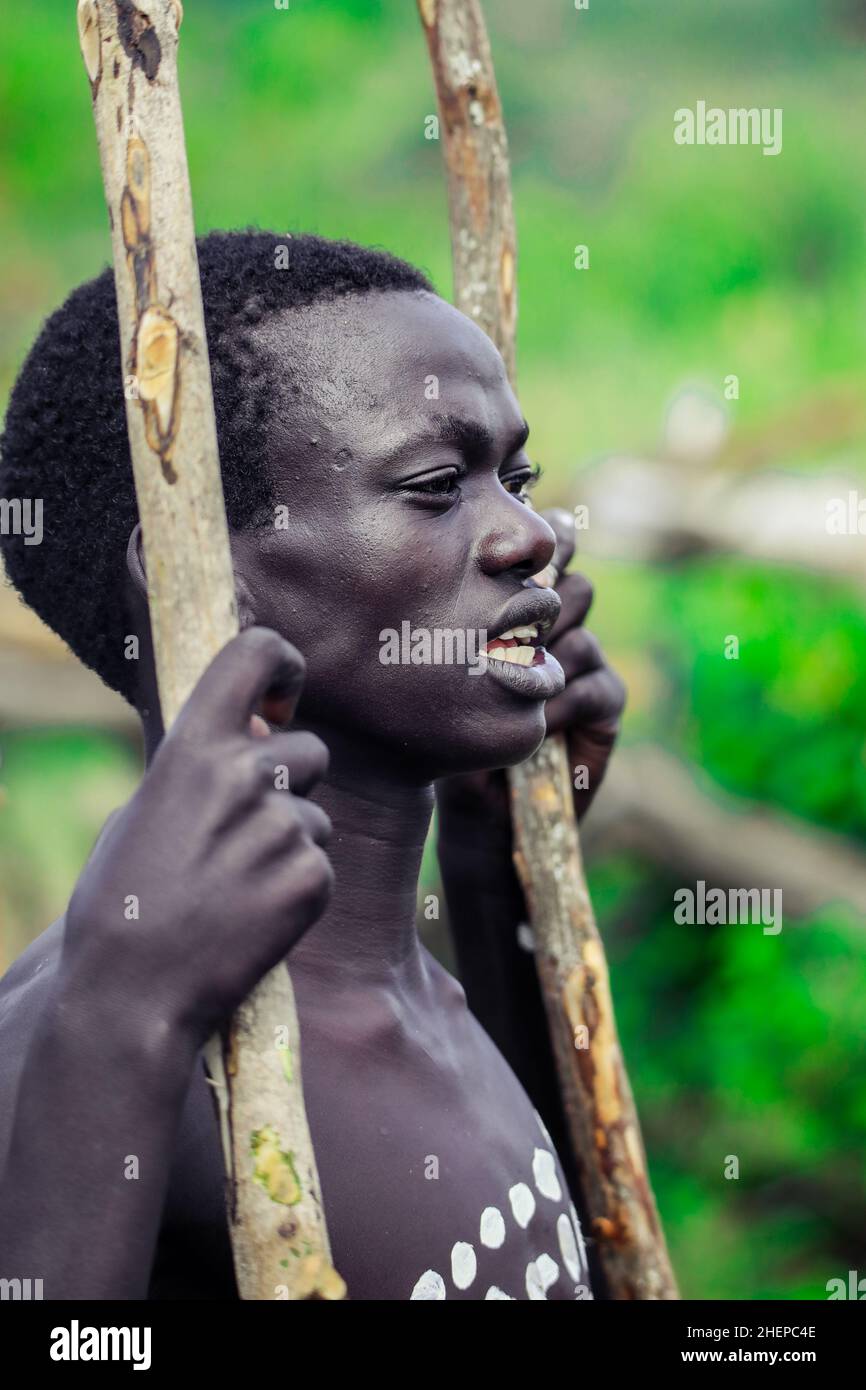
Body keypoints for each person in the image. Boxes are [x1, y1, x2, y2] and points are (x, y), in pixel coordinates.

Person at [0, 231, 625, 1300]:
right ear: (202, 568)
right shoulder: (85, 1049)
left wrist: (494, 858)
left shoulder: (419, 993)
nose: (531, 536)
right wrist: (121, 1023)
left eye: (513, 476)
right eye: (436, 485)